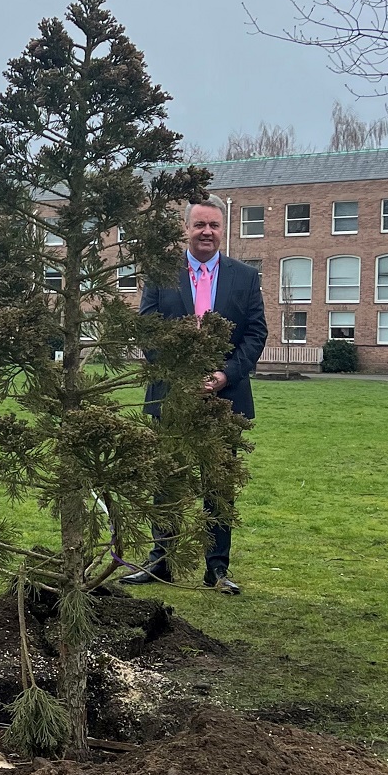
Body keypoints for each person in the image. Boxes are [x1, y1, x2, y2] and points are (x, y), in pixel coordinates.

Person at [122, 195, 267, 595]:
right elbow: (147, 328)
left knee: (219, 484)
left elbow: (256, 334)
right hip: (171, 394)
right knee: (166, 480)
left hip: (225, 398)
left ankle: (216, 570)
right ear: (187, 229)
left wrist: (225, 374)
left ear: (223, 230)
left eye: (214, 226)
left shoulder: (245, 277)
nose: (207, 232)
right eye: (200, 225)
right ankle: (161, 562)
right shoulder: (162, 274)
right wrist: (180, 374)